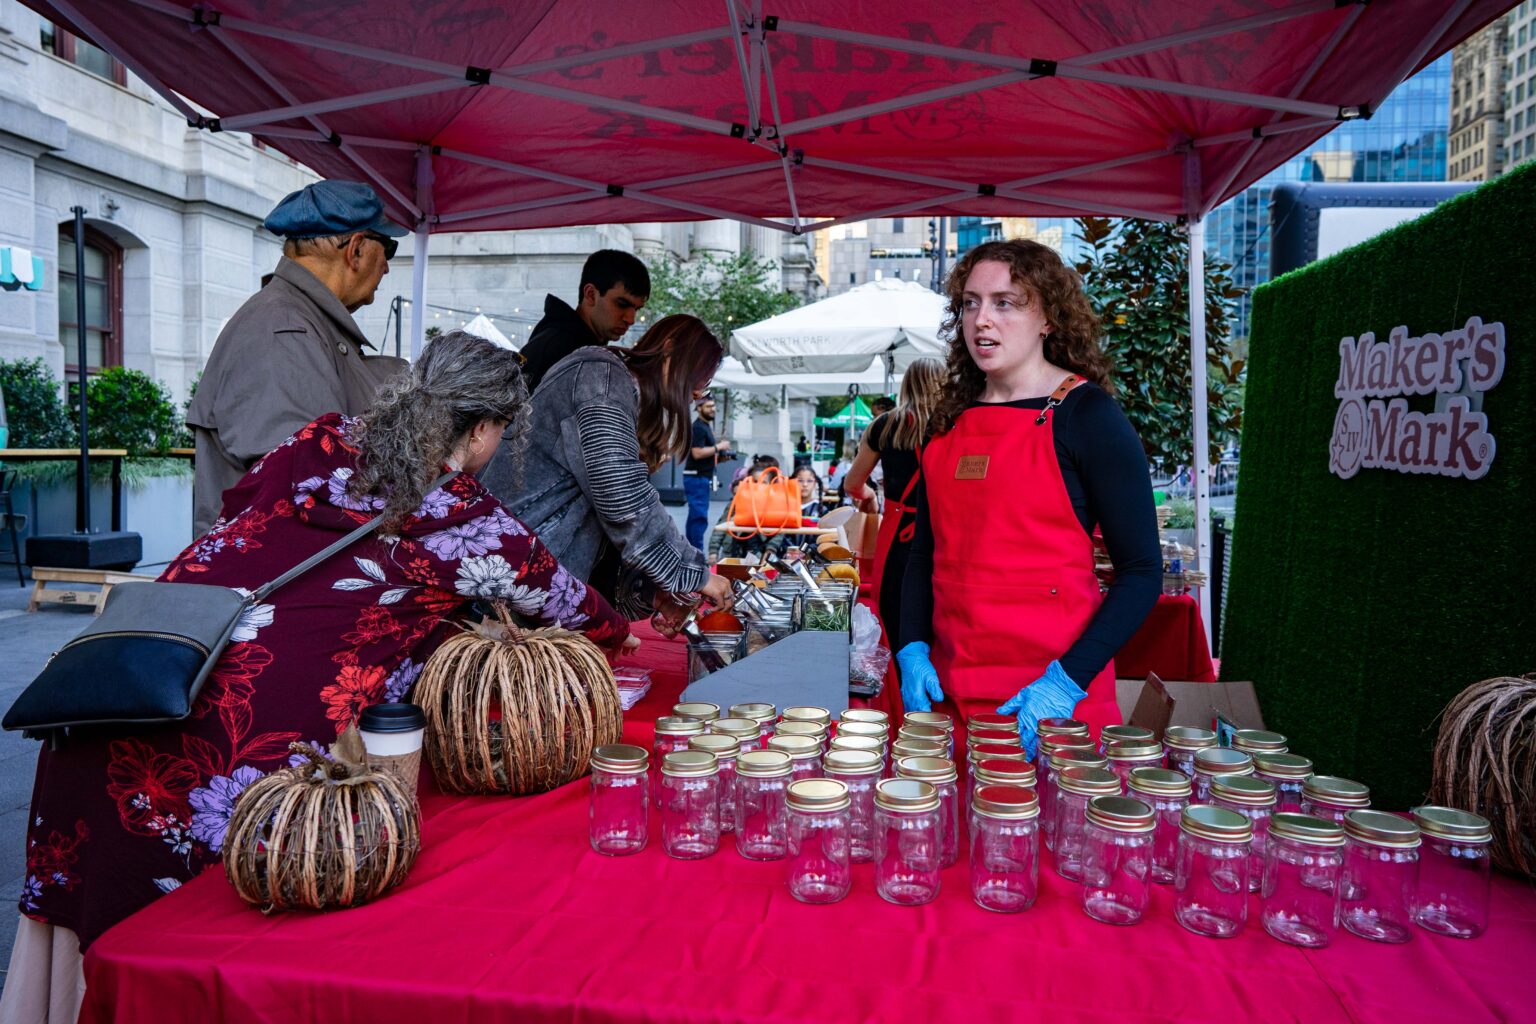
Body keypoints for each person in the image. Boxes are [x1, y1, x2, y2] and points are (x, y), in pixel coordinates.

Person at [2, 332, 628, 1018]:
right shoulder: (460, 516)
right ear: (483, 429)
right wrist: (625, 630)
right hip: (226, 744)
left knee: (100, 922)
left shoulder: (316, 442)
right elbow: (572, 608)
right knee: (185, 946)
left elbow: (238, 513)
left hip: (124, 678)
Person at [896, 239, 1161, 755]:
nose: (982, 320)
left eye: (1005, 303)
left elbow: (1142, 572)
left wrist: (1066, 681)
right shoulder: (948, 421)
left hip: (1055, 702)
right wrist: (911, 644)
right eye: (970, 303)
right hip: (950, 696)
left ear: (1048, 318)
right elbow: (923, 554)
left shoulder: (1089, 417)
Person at [185, 180, 408, 535]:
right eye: (389, 249)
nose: (386, 268)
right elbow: (310, 484)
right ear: (356, 249)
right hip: (277, 565)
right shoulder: (282, 328)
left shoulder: (297, 319)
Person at [481, 314, 734, 623]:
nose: (697, 394)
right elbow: (621, 493)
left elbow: (604, 521)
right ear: (668, 350)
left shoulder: (615, 387)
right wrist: (693, 572)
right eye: (698, 379)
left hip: (529, 581)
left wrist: (650, 591)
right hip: (505, 579)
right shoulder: (600, 376)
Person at [841, 357, 945, 653]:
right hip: (943, 530)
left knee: (894, 610)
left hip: (898, 531)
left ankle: (896, 679)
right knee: (940, 612)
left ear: (906, 385)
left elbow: (852, 484)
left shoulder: (884, 425)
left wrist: (870, 496)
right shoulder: (955, 422)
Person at [517, 249, 650, 392]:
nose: (631, 319)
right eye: (622, 304)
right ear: (591, 294)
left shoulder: (568, 345)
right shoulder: (557, 348)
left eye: (637, 309)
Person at [684, 395, 732, 549]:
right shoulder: (698, 427)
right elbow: (697, 453)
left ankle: (691, 551)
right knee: (699, 517)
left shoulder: (704, 426)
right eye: (708, 406)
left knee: (695, 517)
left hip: (699, 477)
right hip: (696, 477)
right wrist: (719, 447)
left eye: (713, 406)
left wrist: (721, 458)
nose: (713, 409)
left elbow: (705, 455)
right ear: (699, 408)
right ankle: (697, 553)